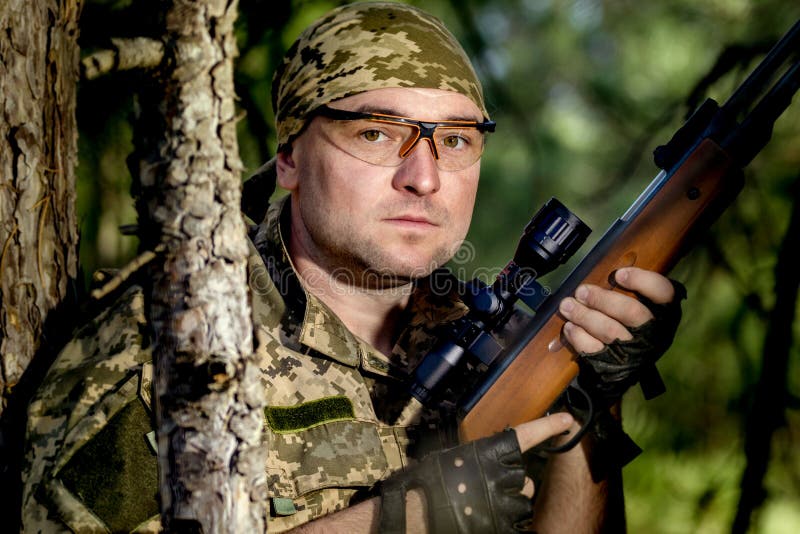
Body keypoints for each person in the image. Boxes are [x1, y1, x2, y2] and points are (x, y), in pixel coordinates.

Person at [21, 2, 684, 533]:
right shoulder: (170, 347)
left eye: (454, 140)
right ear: (288, 158)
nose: (423, 177)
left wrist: (589, 397)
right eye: (376, 133)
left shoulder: (499, 342)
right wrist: (402, 517)